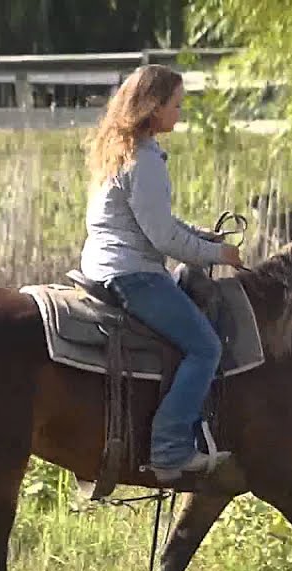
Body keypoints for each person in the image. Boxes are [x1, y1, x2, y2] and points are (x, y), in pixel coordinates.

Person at [79, 64, 243, 481]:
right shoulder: (145, 160)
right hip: (133, 274)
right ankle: (170, 451)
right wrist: (217, 253)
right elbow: (163, 240)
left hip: (104, 264)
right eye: (175, 105)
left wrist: (202, 236)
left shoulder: (120, 149)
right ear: (153, 107)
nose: (179, 114)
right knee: (206, 347)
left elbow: (159, 222)